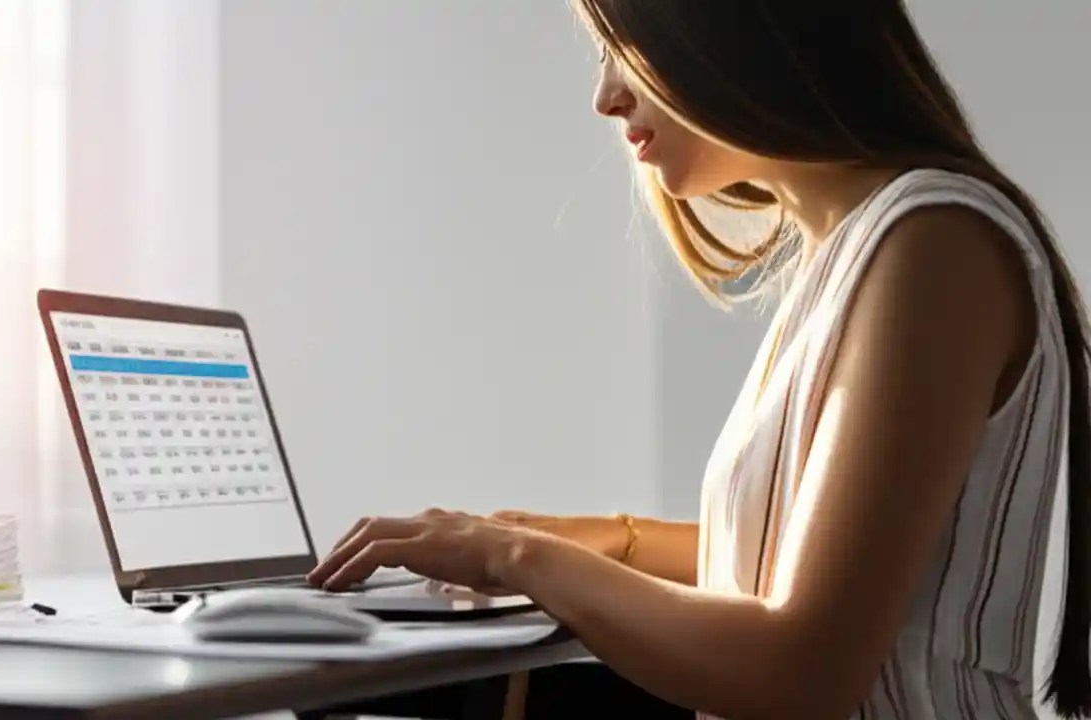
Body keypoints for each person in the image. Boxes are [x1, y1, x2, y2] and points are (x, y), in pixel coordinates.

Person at [306, 1, 1091, 718]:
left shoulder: (931, 243)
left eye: (625, 46)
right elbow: (813, 562)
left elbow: (802, 671)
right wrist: (609, 540)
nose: (606, 96)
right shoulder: (854, 253)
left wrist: (516, 556)